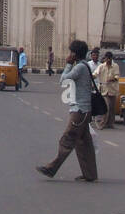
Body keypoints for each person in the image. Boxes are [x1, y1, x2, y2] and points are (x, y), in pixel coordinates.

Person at [35, 39, 97, 182]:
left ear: (74, 54)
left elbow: (63, 80)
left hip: (80, 110)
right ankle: (90, 174)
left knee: (67, 139)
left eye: (71, 52)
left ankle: (52, 168)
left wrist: (68, 64)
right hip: (84, 109)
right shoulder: (85, 66)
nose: (69, 55)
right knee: (84, 143)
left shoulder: (79, 67)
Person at [97, 51, 119, 127]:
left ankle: (110, 123)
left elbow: (117, 76)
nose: (108, 60)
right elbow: (95, 73)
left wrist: (113, 79)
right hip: (104, 90)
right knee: (107, 107)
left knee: (112, 108)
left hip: (113, 90)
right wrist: (91, 76)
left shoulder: (115, 66)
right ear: (105, 59)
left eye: (110, 58)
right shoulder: (101, 66)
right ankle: (103, 123)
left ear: (111, 58)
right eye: (107, 58)